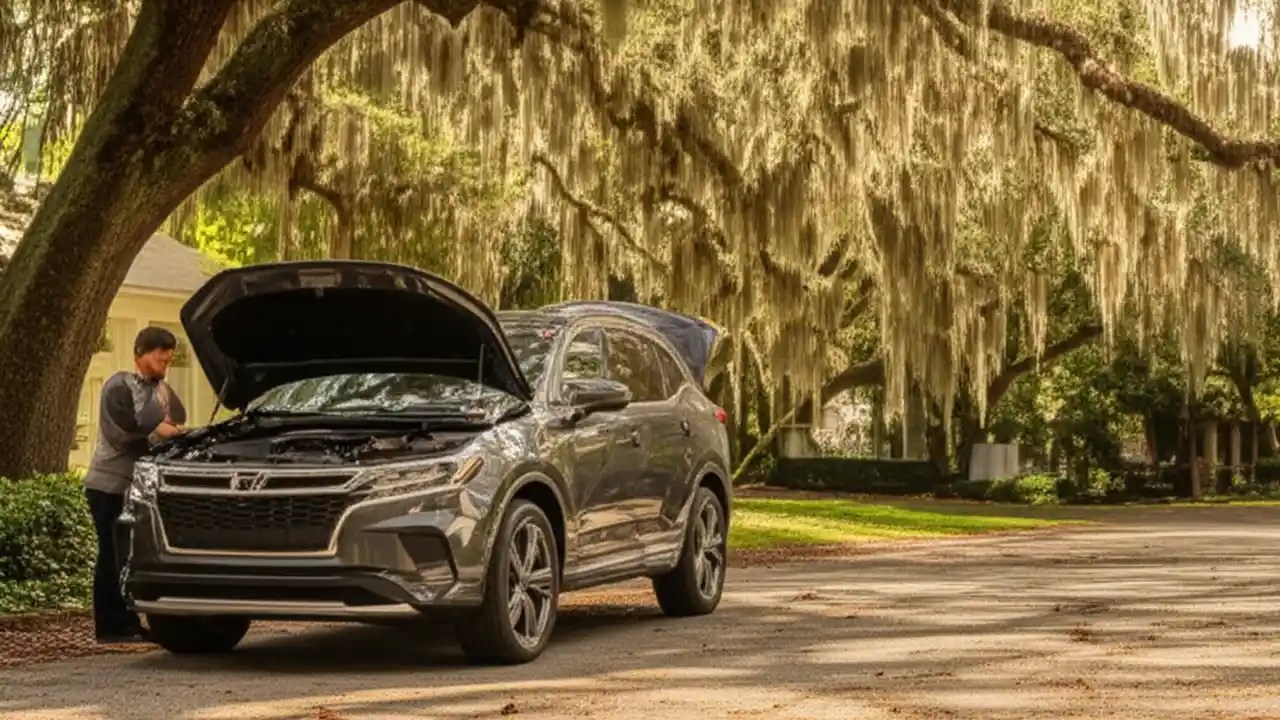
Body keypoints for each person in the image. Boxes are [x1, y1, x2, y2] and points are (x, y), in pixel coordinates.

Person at [83, 327, 187, 643]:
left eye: (168, 358)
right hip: (107, 486)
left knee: (129, 556)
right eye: (160, 355)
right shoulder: (118, 385)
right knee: (112, 555)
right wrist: (162, 431)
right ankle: (111, 626)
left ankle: (129, 622)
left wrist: (170, 431)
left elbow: (178, 423)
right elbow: (122, 434)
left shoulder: (163, 392)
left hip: (138, 489)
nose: (166, 361)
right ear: (141, 353)